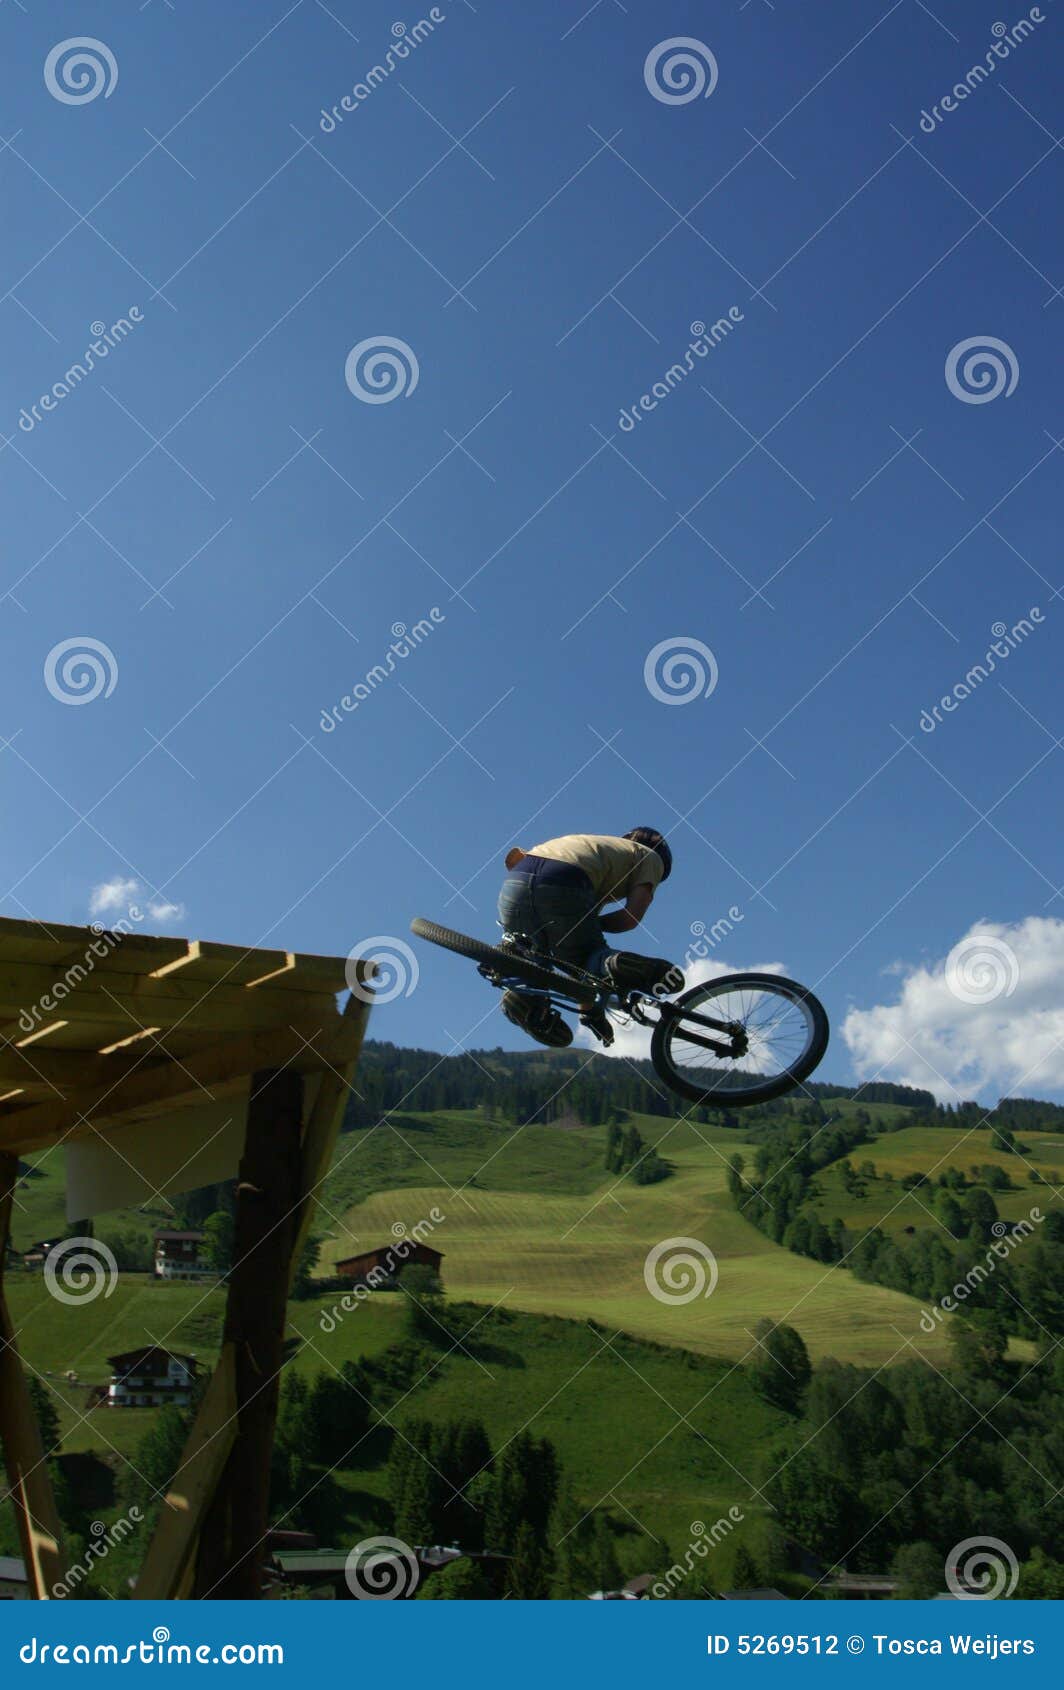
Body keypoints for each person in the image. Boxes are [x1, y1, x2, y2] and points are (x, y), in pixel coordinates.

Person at [496, 828, 684, 1047]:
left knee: (537, 957)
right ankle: (613, 965)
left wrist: (590, 1014)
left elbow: (577, 966)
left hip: (515, 883)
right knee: (589, 958)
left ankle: (524, 998)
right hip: (564, 880)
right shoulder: (651, 857)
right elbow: (630, 918)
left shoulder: (599, 852)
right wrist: (592, 927)